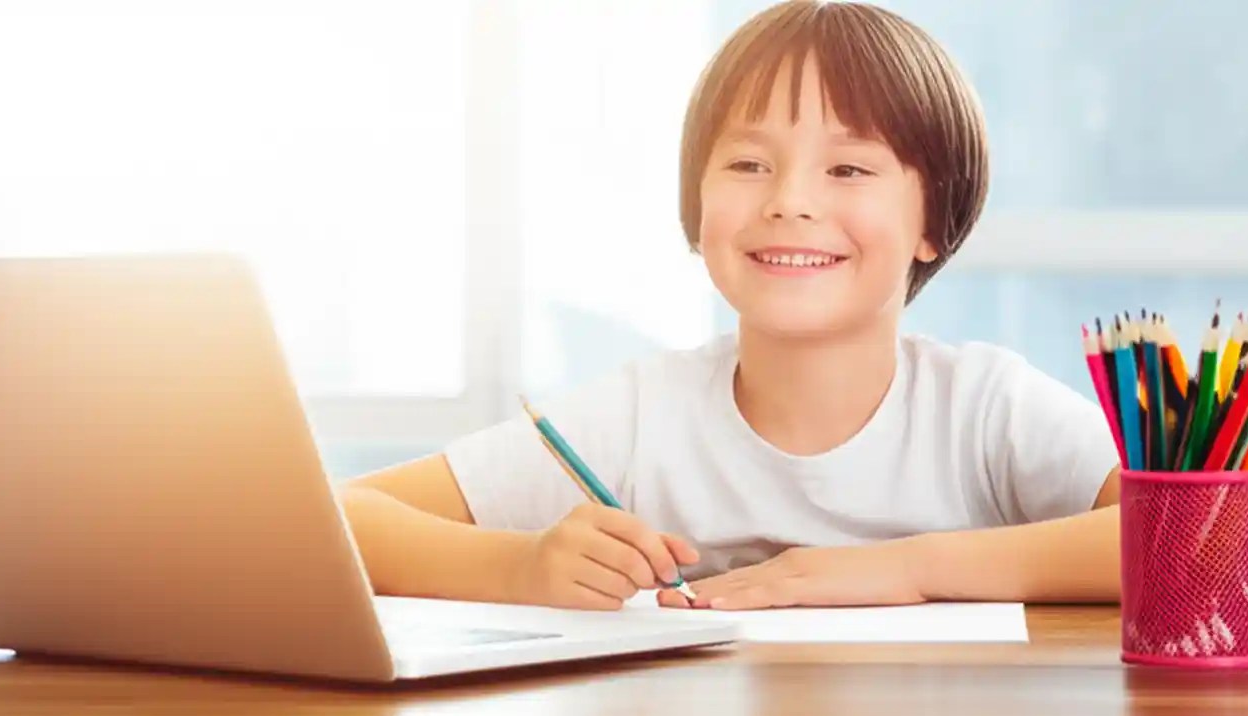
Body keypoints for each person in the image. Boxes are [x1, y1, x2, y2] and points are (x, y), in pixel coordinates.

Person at [340, 0, 1121, 612]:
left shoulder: (985, 409)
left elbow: (1216, 541)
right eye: (749, 163)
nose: (789, 201)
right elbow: (336, 518)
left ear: (935, 221)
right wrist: (522, 564)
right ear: (695, 202)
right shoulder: (644, 415)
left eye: (848, 169)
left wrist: (904, 569)